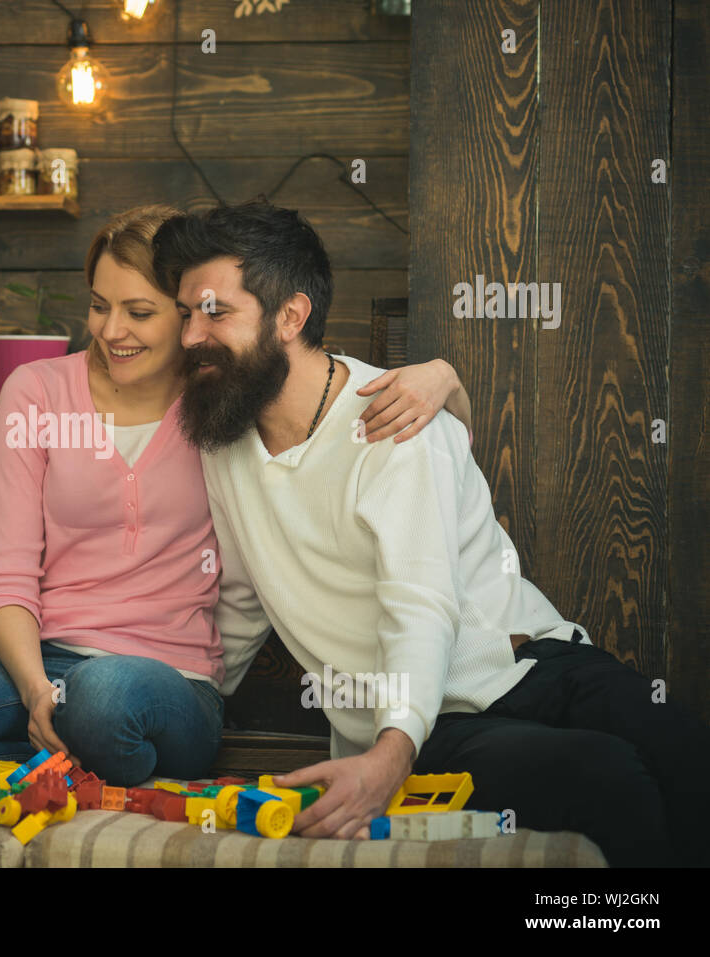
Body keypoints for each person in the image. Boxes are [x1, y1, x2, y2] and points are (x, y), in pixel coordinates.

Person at [153, 197, 710, 866]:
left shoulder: (394, 418)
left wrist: (385, 760)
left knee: (680, 743)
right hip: (434, 721)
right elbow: (242, 596)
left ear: (291, 316)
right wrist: (185, 702)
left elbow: (422, 601)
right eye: (187, 314)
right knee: (609, 776)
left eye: (215, 311)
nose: (189, 335)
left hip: (539, 661)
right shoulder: (222, 437)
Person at [0, 204, 473, 787]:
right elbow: (7, 574)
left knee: (104, 700)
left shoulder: (223, 397)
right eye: (98, 305)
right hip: (42, 659)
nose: (113, 331)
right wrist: (36, 688)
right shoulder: (36, 393)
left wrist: (443, 377)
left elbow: (313, 378)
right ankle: (57, 767)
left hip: (171, 676)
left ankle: (64, 764)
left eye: (139, 312)